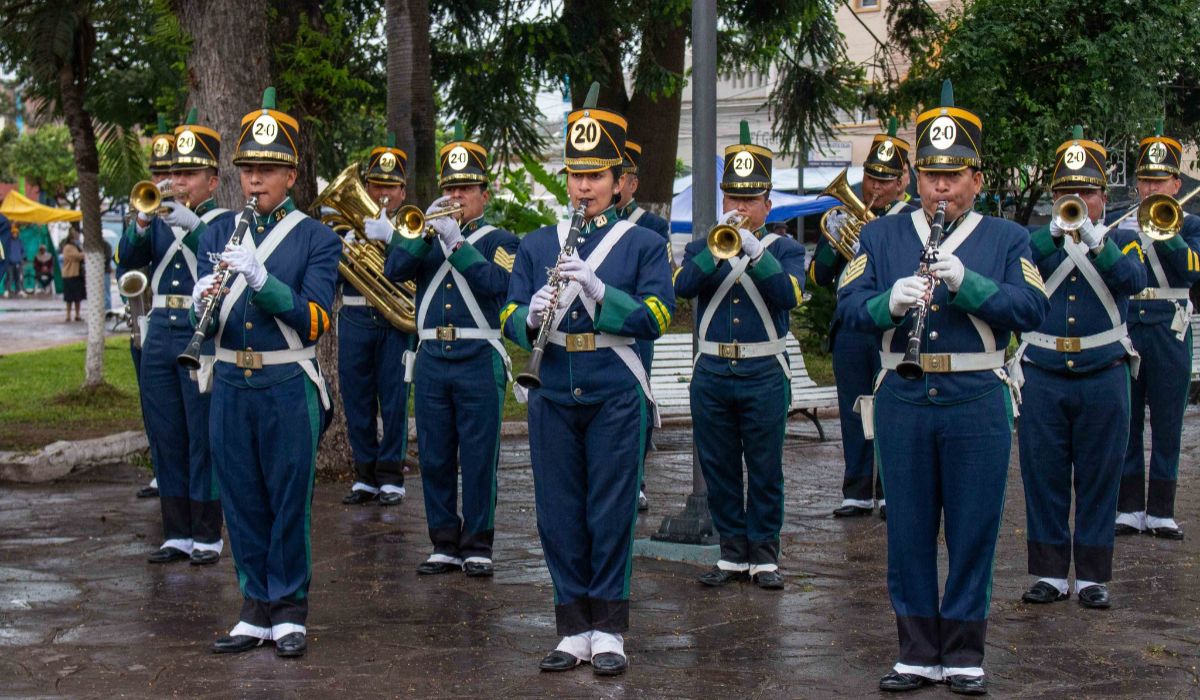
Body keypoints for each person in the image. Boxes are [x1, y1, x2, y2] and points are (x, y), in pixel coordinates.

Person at [838, 81, 1048, 694]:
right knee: (906, 528)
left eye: (953, 176)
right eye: (930, 174)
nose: (940, 188)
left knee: (973, 526)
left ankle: (962, 651)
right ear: (915, 177)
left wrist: (969, 285)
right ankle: (915, 652)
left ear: (975, 179)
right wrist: (887, 303)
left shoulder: (1008, 238)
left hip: (977, 396)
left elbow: (1030, 307)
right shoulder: (879, 237)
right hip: (903, 397)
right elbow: (848, 309)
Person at [501, 83, 674, 676]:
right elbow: (508, 311)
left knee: (609, 509)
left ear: (618, 178)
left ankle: (610, 628)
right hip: (552, 388)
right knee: (558, 511)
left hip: (615, 390)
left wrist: (602, 292)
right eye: (575, 175)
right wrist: (526, 317)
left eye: (595, 176)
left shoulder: (644, 243)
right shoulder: (537, 242)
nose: (583, 187)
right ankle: (572, 626)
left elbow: (657, 315)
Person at [194, 88, 339, 658]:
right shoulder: (217, 231)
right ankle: (254, 608)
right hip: (230, 380)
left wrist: (261, 280)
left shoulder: (315, 238)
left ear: (292, 174)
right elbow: (206, 318)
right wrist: (199, 302)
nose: (255, 180)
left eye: (268, 170)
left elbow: (315, 320)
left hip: (286, 383)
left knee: (287, 499)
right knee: (240, 498)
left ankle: (289, 609)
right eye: (248, 169)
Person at [1011, 126, 1146, 611]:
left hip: (1103, 371)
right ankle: (1049, 573)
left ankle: (1091, 576)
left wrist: (1095, 241)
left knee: (1099, 476)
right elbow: (1021, 269)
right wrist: (1056, 234)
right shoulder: (1030, 240)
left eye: (1086, 192)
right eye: (1068, 193)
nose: (1078, 200)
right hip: (1043, 372)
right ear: (1053, 198)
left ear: (1103, 197)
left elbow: (1133, 279)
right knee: (1043, 476)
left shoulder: (1123, 240)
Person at [675, 120, 806, 591]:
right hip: (712, 369)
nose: (740, 208)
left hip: (763, 370)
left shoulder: (786, 249)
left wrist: (755, 252)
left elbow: (788, 295)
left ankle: (764, 554)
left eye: (750, 200)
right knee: (720, 464)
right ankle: (732, 552)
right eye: (733, 199)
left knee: (765, 465)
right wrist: (716, 251)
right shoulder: (701, 247)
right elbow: (682, 287)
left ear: (768, 205)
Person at [383, 124, 519, 577]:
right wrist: (423, 234)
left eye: (466, 188)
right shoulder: (425, 235)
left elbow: (497, 286)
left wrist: (456, 244)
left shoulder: (502, 241)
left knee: (479, 455)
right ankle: (443, 541)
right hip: (432, 360)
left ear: (484, 193)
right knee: (436, 454)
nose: (457, 195)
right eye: (450, 187)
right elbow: (394, 268)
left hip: (478, 357)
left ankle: (478, 541)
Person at [117, 107, 230, 566]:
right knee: (165, 433)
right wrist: (143, 222)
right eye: (175, 173)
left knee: (201, 433)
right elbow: (127, 260)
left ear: (212, 179)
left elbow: (223, 258)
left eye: (189, 174)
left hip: (199, 332)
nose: (178, 183)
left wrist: (194, 225)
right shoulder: (159, 215)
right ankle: (176, 532)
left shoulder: (223, 219)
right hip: (160, 329)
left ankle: (207, 532)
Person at [810, 118, 917, 520]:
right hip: (853, 327)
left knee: (892, 406)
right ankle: (856, 489)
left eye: (885, 179)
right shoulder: (843, 214)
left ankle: (891, 489)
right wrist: (843, 248)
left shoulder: (913, 218)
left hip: (894, 325)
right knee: (854, 405)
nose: (875, 187)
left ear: (902, 180)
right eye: (871, 176)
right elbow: (818, 276)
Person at [1114, 123, 1200, 540]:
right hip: (1130, 324)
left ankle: (1162, 509)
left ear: (1175, 182)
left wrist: (1165, 233)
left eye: (1158, 180)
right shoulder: (1121, 223)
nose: (1149, 189)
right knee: (1127, 419)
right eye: (1144, 180)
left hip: (1171, 327)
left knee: (1168, 420)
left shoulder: (1192, 224)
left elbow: (1192, 271)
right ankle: (1129, 506)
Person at [337, 133, 416, 507]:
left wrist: (392, 239)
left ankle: (391, 475)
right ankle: (365, 474)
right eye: (375, 185)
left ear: (403, 191)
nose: (382, 194)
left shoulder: (412, 229)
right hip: (354, 315)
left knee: (394, 398)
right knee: (357, 398)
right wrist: (344, 245)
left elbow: (413, 270)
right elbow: (331, 276)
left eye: (390, 187)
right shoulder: (345, 227)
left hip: (394, 323)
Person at [616, 138, 671, 512]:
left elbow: (658, 282)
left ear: (632, 183)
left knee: (636, 404)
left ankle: (635, 478)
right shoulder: (582, 223)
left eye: (618, 177)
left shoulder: (652, 227)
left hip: (634, 328)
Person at [60, 227, 85, 322]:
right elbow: (76, 256)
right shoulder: (67, 247)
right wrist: (83, 253)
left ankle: (77, 314)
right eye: (76, 237)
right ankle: (68, 315)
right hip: (69, 275)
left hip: (78, 274)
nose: (77, 238)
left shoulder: (77, 247)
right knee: (69, 297)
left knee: (78, 297)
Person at [4, 215, 25, 298]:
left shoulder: (20, 241)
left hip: (18, 262)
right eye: (13, 233)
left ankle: (19, 290)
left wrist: (21, 257)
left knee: (18, 277)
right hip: (10, 263)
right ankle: (7, 290)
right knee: (9, 277)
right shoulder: (8, 241)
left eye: (16, 233)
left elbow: (23, 251)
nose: (15, 234)